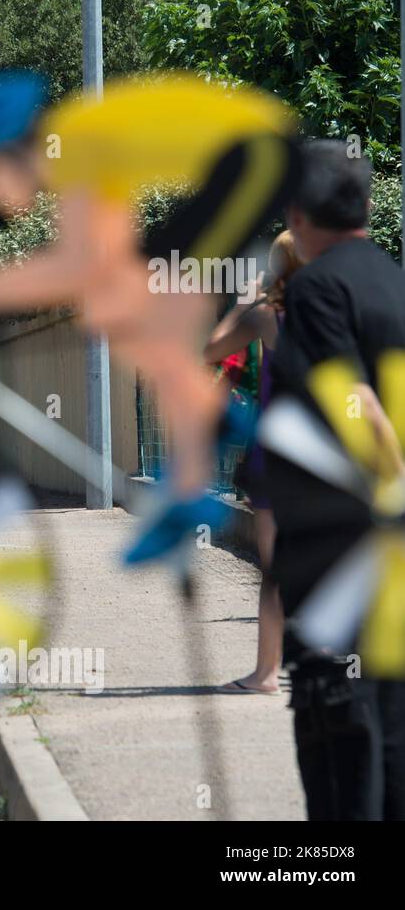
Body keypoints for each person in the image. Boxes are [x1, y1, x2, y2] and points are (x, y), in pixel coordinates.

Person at [0, 70, 300, 563]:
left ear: (4, 149)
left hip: (254, 156)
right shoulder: (78, 144)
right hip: (252, 154)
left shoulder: (72, 144)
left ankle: (199, 463)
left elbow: (75, 265)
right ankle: (209, 432)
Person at [264, 140, 405, 820]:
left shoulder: (319, 289)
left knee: (344, 763)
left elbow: (358, 407)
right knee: (391, 741)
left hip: (344, 565)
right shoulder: (393, 282)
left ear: (297, 212)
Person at [205, 230, 304, 695]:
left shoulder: (269, 317)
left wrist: (243, 300)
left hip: (277, 450)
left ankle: (266, 673)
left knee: (275, 567)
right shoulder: (340, 314)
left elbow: (212, 350)